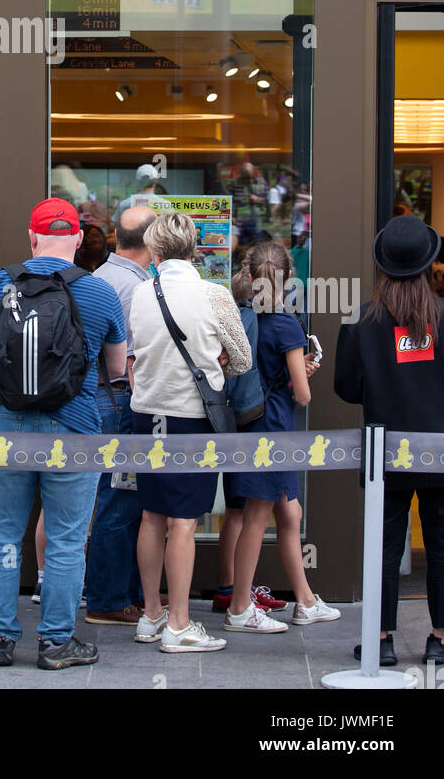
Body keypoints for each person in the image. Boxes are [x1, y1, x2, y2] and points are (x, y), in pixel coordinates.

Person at [0, 198, 126, 670]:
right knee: (68, 539)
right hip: (74, 428)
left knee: (3, 537)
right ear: (76, 239)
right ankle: (56, 642)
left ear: (32, 238)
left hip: (5, 426)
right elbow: (116, 371)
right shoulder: (100, 293)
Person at [130, 210, 250, 652]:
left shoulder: (141, 294)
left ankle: (151, 614)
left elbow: (134, 351)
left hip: (147, 415)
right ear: (194, 248)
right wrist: (215, 360)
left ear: (155, 249)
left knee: (151, 515)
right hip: (191, 417)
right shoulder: (213, 295)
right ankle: (180, 624)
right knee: (183, 522)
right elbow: (242, 358)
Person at [336, 215, 444, 667]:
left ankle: (381, 638)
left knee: (384, 545)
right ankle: (439, 638)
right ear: (428, 264)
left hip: (385, 449)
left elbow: (346, 387)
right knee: (441, 545)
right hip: (440, 448)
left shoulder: (362, 320)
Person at [225, 242, 339, 634]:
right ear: (288, 277)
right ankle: (241, 607)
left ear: (251, 276)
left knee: (289, 512)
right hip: (273, 432)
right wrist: (305, 372)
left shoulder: (241, 318)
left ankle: (305, 601)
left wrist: (292, 372)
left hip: (248, 426)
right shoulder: (288, 324)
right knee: (257, 517)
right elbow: (302, 395)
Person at [84, 206, 154, 626]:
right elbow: (130, 359)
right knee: (119, 499)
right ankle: (109, 599)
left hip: (94, 400)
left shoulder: (100, 278)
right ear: (150, 241)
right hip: (118, 399)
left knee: (109, 497)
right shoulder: (136, 288)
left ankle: (114, 591)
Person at [212, 267, 286, 617]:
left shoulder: (230, 320)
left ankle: (228, 587)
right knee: (245, 512)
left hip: (227, 419)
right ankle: (240, 593)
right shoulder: (267, 325)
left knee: (234, 511)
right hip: (255, 420)